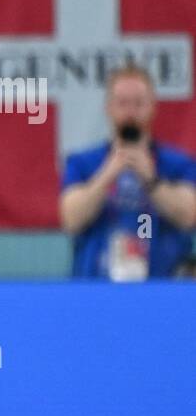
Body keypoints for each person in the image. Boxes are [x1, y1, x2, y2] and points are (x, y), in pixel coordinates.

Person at [59, 65, 196, 281]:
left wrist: (151, 180)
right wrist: (108, 173)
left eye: (139, 103)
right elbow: (71, 219)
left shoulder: (178, 164)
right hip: (96, 288)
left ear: (153, 107)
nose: (130, 112)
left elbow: (189, 215)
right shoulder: (83, 163)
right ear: (109, 107)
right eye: (122, 103)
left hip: (163, 289)